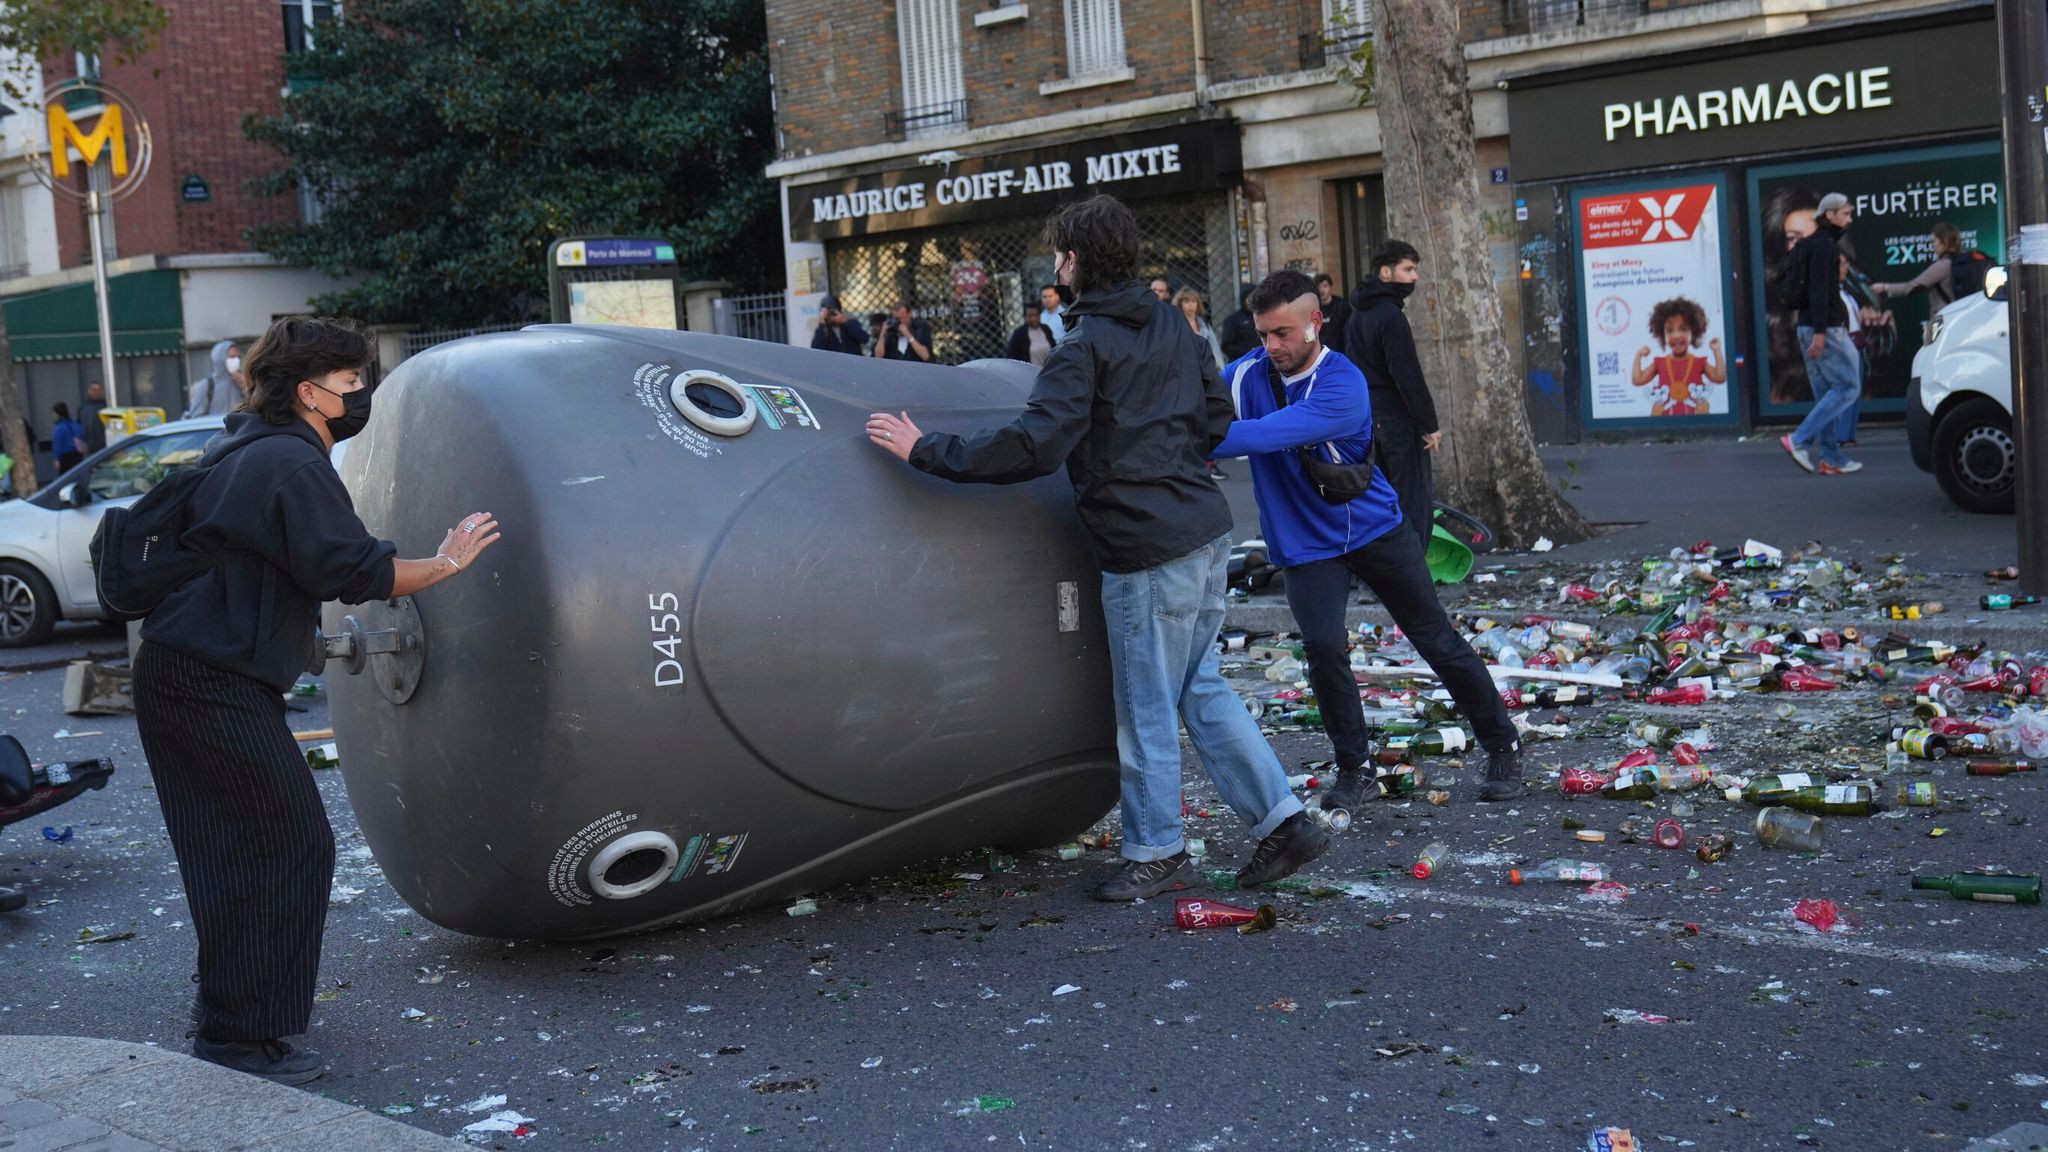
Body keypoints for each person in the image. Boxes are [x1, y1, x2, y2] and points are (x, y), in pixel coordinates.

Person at [864, 195, 1328, 901]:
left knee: (1146, 706)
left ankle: (1156, 849)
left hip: (1145, 547)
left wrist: (925, 449)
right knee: (1198, 686)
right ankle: (1284, 821)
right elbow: (1215, 419)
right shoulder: (1173, 323)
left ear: (1076, 260)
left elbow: (1035, 445)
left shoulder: (1082, 345)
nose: (1056, 269)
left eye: (1059, 256)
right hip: (1205, 534)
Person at [134, 316, 500, 1085]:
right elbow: (354, 571)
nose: (362, 391)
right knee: (291, 845)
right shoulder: (291, 462)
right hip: (210, 680)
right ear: (309, 392)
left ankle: (229, 1013)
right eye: (351, 380)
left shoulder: (244, 444)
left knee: (232, 848)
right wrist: (447, 562)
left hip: (181, 669)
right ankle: (242, 1036)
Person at [1216, 270, 1526, 809]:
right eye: (1263, 334)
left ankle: (1503, 744)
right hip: (1305, 543)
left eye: (1282, 333)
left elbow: (1265, 434)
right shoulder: (1245, 374)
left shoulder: (1344, 382)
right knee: (1324, 650)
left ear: (1315, 323)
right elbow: (1193, 410)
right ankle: (1354, 769)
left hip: (1374, 529)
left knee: (1434, 638)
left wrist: (1198, 438)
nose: (1271, 346)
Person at [1345, 240, 1441, 550]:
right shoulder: (1391, 317)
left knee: (1379, 499)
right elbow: (1407, 375)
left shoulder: (1357, 315)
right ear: (1386, 272)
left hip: (1368, 418)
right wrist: (1429, 423)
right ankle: (1413, 565)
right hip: (1397, 420)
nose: (1415, 277)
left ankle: (1386, 564)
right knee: (1411, 499)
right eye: (1408, 269)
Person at [1778, 192, 1863, 475]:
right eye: (1846, 214)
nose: (1849, 219)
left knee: (1827, 394)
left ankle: (1830, 457)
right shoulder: (1825, 246)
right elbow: (1819, 289)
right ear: (1830, 215)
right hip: (1826, 328)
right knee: (1848, 387)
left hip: (1808, 326)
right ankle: (1798, 440)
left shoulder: (1809, 245)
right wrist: (1821, 332)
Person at [1629, 297, 1725, 416]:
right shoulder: (1659, 363)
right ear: (1662, 335)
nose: (1676, 335)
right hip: (1665, 420)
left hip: (1695, 419)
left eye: (1683, 329)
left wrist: (1716, 351)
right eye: (1669, 331)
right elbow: (1638, 380)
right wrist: (1638, 356)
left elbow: (1720, 377)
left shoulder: (1699, 362)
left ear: (1694, 332)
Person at [1871, 221, 1991, 315]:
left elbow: (1911, 287)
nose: (1933, 245)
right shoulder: (1970, 260)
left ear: (1944, 241)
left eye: (1934, 241)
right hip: (1969, 317)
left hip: (1946, 318)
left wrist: (1884, 287)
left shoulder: (1943, 265)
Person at [187, 340, 245, 419]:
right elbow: (195, 417)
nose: (236, 360)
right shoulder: (207, 385)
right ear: (220, 359)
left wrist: (246, 386)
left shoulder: (242, 382)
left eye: (238, 357)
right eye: (232, 357)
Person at [1005, 301, 1057, 367]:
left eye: (1036, 315)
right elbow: (1011, 355)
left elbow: (1054, 349)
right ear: (1025, 317)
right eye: (1030, 316)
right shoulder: (1019, 334)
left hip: (1049, 369)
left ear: (1039, 315)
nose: (1033, 318)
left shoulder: (1046, 329)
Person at [1217, 283, 1260, 362]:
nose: (1252, 301)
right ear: (1243, 299)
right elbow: (1226, 346)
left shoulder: (1262, 317)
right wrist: (1249, 351)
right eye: (1249, 298)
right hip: (1240, 362)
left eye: (1255, 297)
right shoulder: (1233, 319)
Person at [1315, 273, 1352, 358]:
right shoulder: (1314, 308)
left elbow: (1350, 332)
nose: (1322, 290)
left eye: (1325, 286)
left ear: (1330, 287)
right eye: (1319, 287)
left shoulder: (1342, 307)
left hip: (1340, 355)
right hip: (1320, 356)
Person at [51, 403, 86, 472]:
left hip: (65, 458)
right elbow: (82, 437)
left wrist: (57, 459)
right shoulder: (76, 425)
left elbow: (58, 446)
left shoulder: (58, 428)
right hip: (78, 455)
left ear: (57, 414)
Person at [80, 380, 109, 454]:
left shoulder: (106, 406)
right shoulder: (84, 407)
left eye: (98, 390)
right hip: (89, 448)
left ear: (101, 392)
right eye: (93, 390)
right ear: (89, 391)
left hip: (104, 447)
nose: (96, 392)